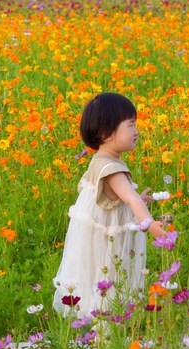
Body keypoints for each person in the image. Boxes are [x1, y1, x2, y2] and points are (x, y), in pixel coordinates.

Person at [53, 92, 167, 321]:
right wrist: (149, 223)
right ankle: (107, 320)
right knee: (113, 273)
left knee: (98, 274)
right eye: (130, 125)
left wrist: (137, 198)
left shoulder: (101, 161)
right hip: (110, 239)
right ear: (106, 133)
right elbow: (129, 199)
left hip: (98, 235)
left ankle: (99, 318)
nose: (136, 131)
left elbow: (115, 198)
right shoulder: (112, 169)